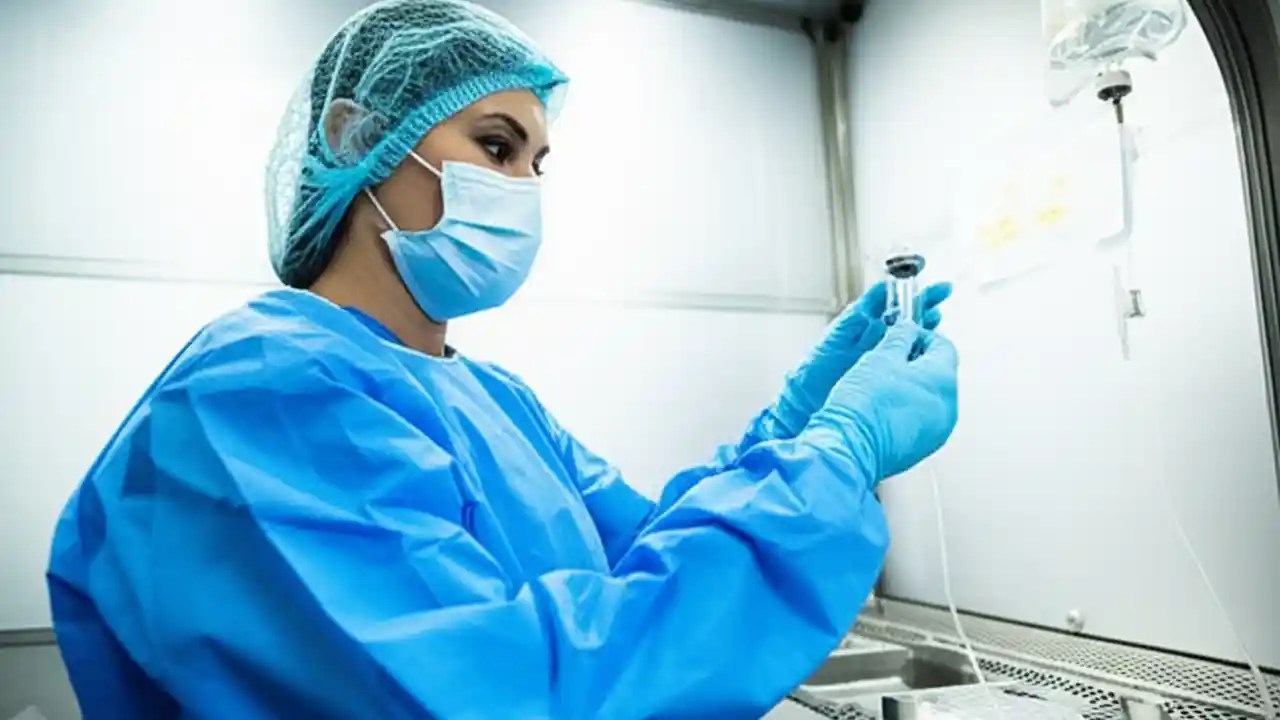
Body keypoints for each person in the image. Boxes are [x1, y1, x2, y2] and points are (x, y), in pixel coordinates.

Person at [45, 1, 958, 718]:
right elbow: (512, 691)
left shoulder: (488, 397)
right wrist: (834, 455)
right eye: (494, 146)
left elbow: (638, 560)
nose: (524, 190)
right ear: (358, 138)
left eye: (538, 161)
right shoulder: (259, 393)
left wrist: (796, 427)